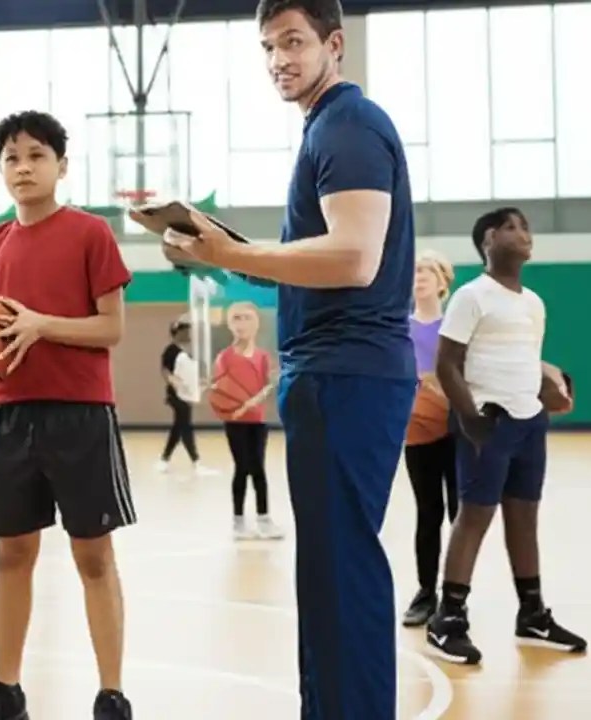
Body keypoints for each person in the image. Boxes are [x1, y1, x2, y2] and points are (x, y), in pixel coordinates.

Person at [140, 0, 418, 715]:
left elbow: (354, 258)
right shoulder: (329, 128)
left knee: (341, 570)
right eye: (267, 47)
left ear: (335, 44)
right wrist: (220, 247)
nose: (278, 61)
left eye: (293, 42)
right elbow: (312, 259)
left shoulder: (348, 125)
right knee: (328, 574)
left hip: (344, 373)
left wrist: (232, 252)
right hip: (335, 373)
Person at [0, 110, 135, 720]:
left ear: (62, 165)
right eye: (11, 157)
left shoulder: (90, 234)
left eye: (36, 155)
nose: (23, 166)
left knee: (93, 556)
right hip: (12, 415)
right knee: (11, 554)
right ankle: (6, 689)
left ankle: (111, 693)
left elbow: (112, 327)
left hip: (80, 414)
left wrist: (41, 325)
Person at [426, 208, 587, 665]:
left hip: (529, 421)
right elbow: (446, 363)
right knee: (474, 517)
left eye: (527, 228)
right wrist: (472, 420)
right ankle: (448, 619)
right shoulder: (471, 296)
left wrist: (549, 385)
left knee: (524, 517)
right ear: (489, 240)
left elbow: (523, 357)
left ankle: (532, 614)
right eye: (512, 228)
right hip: (487, 420)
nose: (524, 235)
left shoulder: (533, 303)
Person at [400, 249, 459, 627]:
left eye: (428, 269)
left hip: (458, 429)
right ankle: (426, 592)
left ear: (443, 282)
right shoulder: (398, 328)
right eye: (415, 269)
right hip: (418, 430)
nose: (419, 275)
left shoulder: (456, 327)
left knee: (460, 512)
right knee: (428, 512)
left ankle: (456, 593)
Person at [214, 301, 282, 540]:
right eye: (236, 318)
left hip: (257, 420)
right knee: (242, 468)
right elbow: (220, 388)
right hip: (234, 420)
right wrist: (230, 404)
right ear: (230, 325)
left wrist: (253, 401)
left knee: (259, 469)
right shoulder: (225, 357)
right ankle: (238, 521)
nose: (241, 324)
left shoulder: (264, 357)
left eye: (246, 318)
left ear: (257, 324)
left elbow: (269, 384)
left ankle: (264, 519)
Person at [156, 318, 215, 476]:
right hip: (177, 395)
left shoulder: (189, 351)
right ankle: (196, 462)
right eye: (185, 331)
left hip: (187, 394)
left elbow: (189, 373)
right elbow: (166, 370)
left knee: (179, 427)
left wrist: (200, 384)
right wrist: (173, 381)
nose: (188, 334)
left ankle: (164, 460)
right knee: (185, 426)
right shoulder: (171, 351)